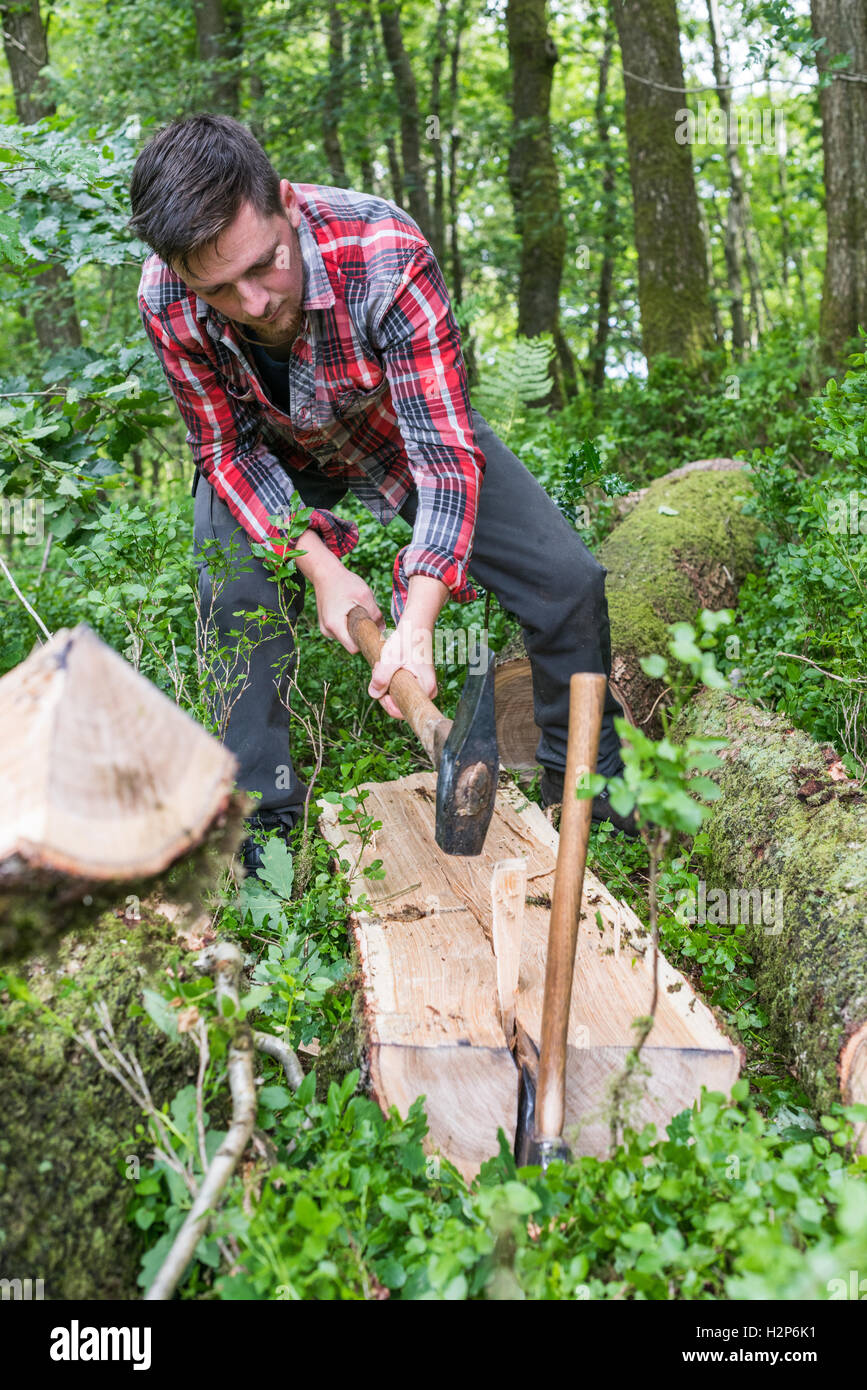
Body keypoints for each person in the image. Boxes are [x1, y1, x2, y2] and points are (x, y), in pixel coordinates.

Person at [129, 114, 635, 873]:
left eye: (265, 265)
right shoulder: (166, 298)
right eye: (220, 288)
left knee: (565, 582)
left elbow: (443, 455)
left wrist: (417, 624)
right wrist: (322, 570)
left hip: (398, 431)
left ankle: (588, 798)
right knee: (235, 598)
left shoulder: (385, 253)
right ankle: (264, 832)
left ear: (287, 206)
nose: (255, 301)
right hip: (270, 456)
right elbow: (222, 447)